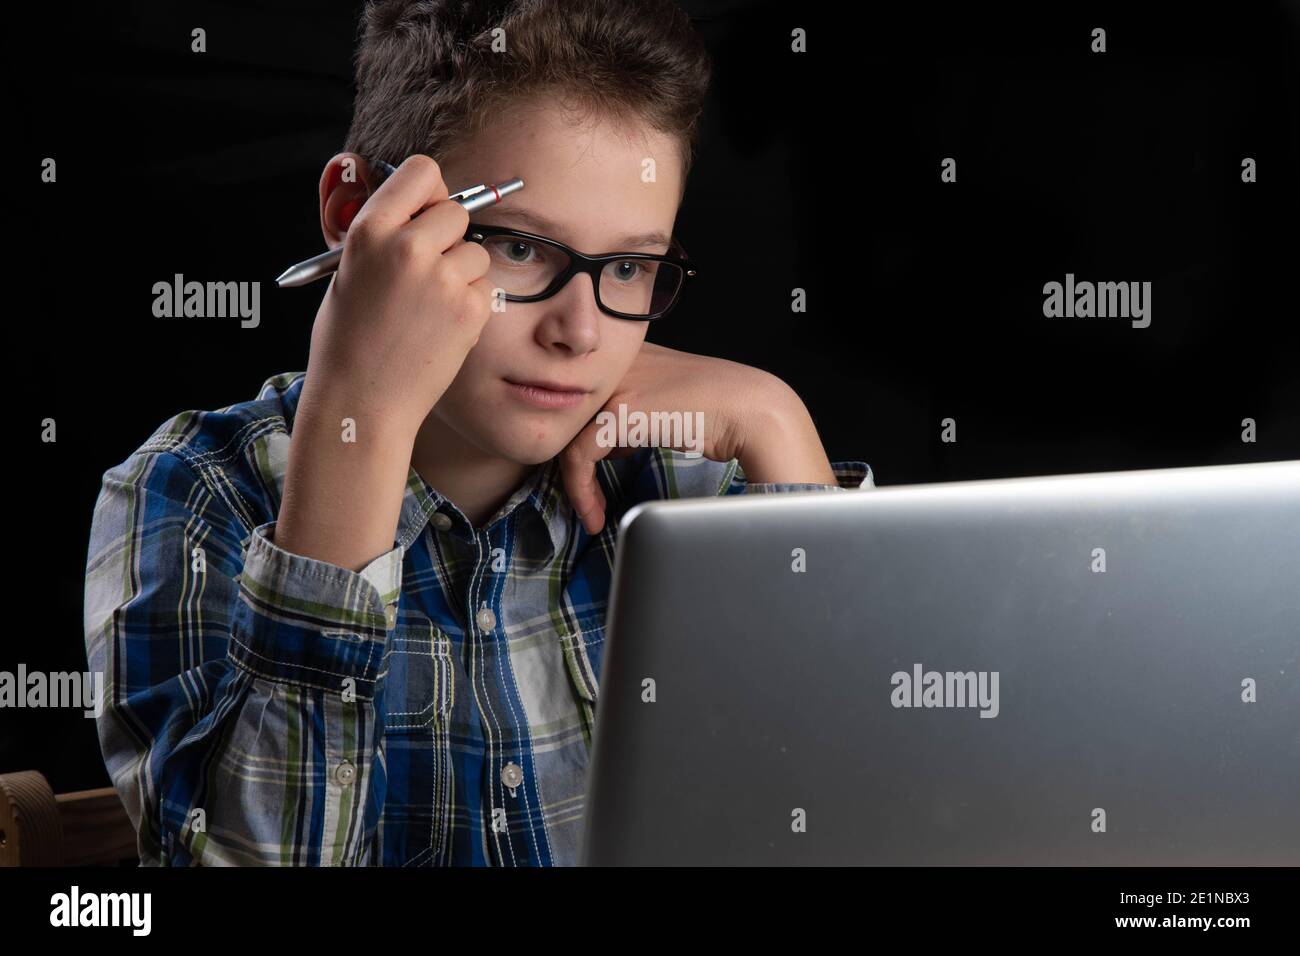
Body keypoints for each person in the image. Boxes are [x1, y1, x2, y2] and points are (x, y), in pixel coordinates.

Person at [84, 0, 872, 866]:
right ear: (360, 213)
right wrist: (364, 420)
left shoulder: (694, 483)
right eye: (522, 249)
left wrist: (774, 418)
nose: (579, 332)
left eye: (627, 267)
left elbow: (872, 818)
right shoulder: (193, 495)